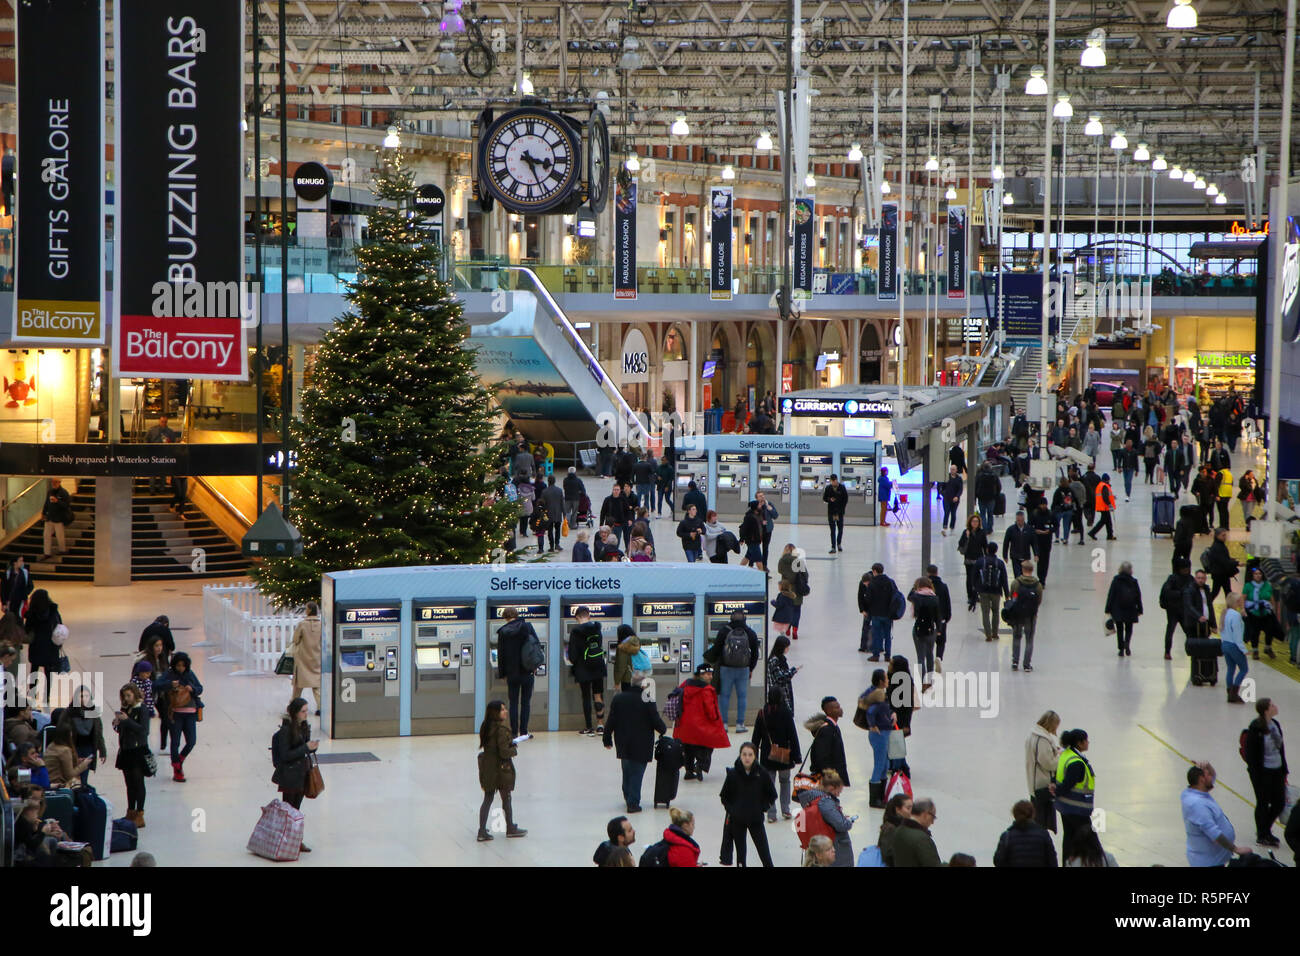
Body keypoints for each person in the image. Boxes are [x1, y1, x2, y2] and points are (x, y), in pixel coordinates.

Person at [603, 676, 668, 813]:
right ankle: (633, 803)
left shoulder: (619, 698)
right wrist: (663, 729)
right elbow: (655, 720)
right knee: (637, 773)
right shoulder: (647, 699)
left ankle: (628, 796)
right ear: (643, 686)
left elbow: (611, 720)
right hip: (641, 743)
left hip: (623, 742)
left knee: (627, 770)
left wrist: (606, 738)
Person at [270, 696, 319, 854]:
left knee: (296, 810)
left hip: (301, 774)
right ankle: (286, 840)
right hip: (289, 776)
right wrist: (306, 747)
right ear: (295, 713)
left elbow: (305, 748)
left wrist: (311, 747)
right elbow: (285, 755)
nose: (306, 714)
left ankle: (295, 840)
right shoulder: (286, 731)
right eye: (303, 711)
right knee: (289, 809)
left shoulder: (303, 727)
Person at [718, 741, 777, 867]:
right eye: (744, 754)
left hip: (756, 820)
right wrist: (732, 810)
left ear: (755, 756)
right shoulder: (733, 774)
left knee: (764, 852)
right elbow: (724, 796)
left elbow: (772, 794)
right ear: (740, 756)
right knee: (741, 854)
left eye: (750, 755)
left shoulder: (762, 773)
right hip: (737, 821)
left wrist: (762, 808)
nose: (747, 758)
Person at [1181, 762, 1251, 866]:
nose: (1212, 776)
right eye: (1208, 774)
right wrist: (1235, 849)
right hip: (1209, 862)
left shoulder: (1192, 792)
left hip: (1212, 858)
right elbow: (1214, 834)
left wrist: (1209, 767)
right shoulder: (1197, 805)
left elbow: (1211, 780)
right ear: (1201, 779)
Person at [476, 700, 526, 841]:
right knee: (506, 797)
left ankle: (481, 830)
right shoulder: (502, 730)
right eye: (502, 709)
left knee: (488, 798)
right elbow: (504, 752)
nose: (506, 711)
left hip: (488, 767)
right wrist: (514, 749)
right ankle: (510, 827)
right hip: (501, 769)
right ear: (495, 712)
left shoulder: (485, 726)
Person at [751, 686, 801, 822]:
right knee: (785, 781)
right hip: (784, 754)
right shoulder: (786, 713)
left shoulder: (762, 713)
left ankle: (771, 813)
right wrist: (797, 755)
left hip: (767, 755)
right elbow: (792, 735)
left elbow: (756, 736)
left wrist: (752, 753)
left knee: (769, 783)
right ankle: (785, 809)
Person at [1243, 698, 1288, 848]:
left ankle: (1265, 828)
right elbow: (1251, 754)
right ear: (1266, 710)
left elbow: (1281, 750)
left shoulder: (1275, 724)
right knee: (1263, 802)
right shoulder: (1256, 728)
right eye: (1272, 705)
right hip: (1263, 773)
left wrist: (1284, 770)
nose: (1275, 706)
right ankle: (1262, 834)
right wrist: (1257, 774)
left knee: (1279, 802)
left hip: (1277, 770)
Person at [673, 664, 730, 781]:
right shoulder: (706, 690)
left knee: (687, 747)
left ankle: (689, 771)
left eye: (711, 674)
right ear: (701, 675)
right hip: (700, 726)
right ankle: (700, 765)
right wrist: (715, 718)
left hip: (684, 726)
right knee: (707, 745)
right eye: (708, 674)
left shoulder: (685, 685)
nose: (710, 677)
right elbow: (710, 710)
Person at [707, 608, 759, 733]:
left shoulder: (725, 631)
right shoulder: (750, 632)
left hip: (726, 668)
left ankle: (724, 724)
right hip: (743, 669)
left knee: (724, 695)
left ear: (731, 617)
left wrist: (709, 658)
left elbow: (717, 649)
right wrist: (750, 668)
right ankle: (740, 724)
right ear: (744, 618)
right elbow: (755, 653)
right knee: (742, 696)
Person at [794, 768, 855, 866]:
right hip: (836, 845)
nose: (838, 795)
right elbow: (841, 825)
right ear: (831, 788)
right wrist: (848, 821)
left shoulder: (812, 798)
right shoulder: (825, 802)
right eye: (838, 792)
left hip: (821, 842)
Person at [496, 607, 539, 740]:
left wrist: (502, 673)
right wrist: (535, 665)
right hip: (527, 671)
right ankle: (524, 732)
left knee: (513, 702)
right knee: (525, 703)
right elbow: (536, 646)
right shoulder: (527, 627)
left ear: (505, 617)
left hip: (512, 673)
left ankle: (514, 733)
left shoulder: (503, 631)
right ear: (517, 615)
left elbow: (501, 654)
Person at [159, 651, 202, 780]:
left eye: (183, 666)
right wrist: (169, 684)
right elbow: (156, 685)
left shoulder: (190, 674)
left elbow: (200, 688)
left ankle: (178, 761)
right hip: (175, 713)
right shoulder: (169, 674)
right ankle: (177, 769)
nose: (181, 668)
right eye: (178, 665)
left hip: (190, 713)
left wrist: (192, 688)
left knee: (191, 741)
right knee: (175, 742)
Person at [567, 606, 607, 736]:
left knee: (585, 696)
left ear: (577, 617)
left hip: (583, 667)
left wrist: (574, 662)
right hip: (598, 664)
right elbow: (599, 645)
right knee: (598, 695)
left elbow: (572, 654)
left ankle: (589, 727)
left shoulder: (575, 631)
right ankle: (600, 724)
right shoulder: (597, 628)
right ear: (588, 615)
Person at [1054, 728, 1096, 848]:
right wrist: (1057, 791)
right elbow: (1069, 783)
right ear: (1079, 742)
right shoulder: (1076, 762)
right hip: (1077, 808)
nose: (1088, 742)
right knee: (1089, 840)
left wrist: (1055, 790)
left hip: (1065, 806)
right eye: (1086, 740)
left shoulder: (1066, 754)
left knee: (1069, 838)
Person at [59, 686, 107, 786]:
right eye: (81, 696)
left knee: (83, 779)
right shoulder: (69, 712)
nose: (84, 698)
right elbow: (61, 730)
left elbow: (98, 733)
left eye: (86, 696)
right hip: (73, 749)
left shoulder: (94, 713)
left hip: (88, 749)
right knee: (72, 778)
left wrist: (102, 750)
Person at [994, 800, 1059, 867]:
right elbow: (1052, 860)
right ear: (1033, 814)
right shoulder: (1043, 834)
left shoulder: (1007, 836)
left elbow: (998, 861)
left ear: (1014, 815)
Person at [1026, 710, 1062, 832]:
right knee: (1041, 821)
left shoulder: (1033, 735)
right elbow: (1049, 763)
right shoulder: (1042, 739)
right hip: (1043, 784)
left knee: (1038, 819)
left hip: (1034, 783)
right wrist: (1060, 756)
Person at [861, 670, 892, 808]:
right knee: (880, 764)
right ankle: (875, 799)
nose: (888, 681)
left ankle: (881, 796)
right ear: (881, 681)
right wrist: (872, 724)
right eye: (886, 679)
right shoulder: (877, 694)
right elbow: (871, 711)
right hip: (880, 733)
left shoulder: (873, 692)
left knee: (884, 764)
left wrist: (891, 714)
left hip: (883, 731)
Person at [23, 588, 62, 696]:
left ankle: (32, 692)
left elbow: (27, 629)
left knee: (34, 670)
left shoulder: (32, 614)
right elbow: (59, 625)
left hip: (36, 646)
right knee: (49, 672)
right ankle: (47, 695)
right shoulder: (53, 611)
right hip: (50, 646)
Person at [805, 695, 850, 787]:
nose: (840, 709)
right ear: (829, 711)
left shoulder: (833, 727)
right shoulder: (827, 730)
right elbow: (822, 758)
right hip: (827, 781)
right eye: (837, 707)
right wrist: (831, 779)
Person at [1007, 560, 1042, 672]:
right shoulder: (1037, 585)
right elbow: (1039, 600)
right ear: (1032, 570)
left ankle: (1015, 662)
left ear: (1022, 569)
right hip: (1031, 616)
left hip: (1018, 615)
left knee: (1017, 637)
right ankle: (1027, 664)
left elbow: (1012, 597)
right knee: (1029, 639)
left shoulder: (1016, 583)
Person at [1242, 565, 1282, 660]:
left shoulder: (1267, 585)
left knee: (1270, 630)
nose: (1258, 575)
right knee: (1254, 632)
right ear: (1252, 575)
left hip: (1266, 612)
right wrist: (1243, 609)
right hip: (1253, 613)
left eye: (1259, 574)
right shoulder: (1248, 586)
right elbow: (1243, 598)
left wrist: (1273, 609)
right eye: (1256, 574)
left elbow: (1271, 598)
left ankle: (1268, 648)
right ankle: (1255, 650)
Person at [1104, 561, 1144, 657]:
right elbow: (1138, 596)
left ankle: (1121, 649)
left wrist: (1108, 608)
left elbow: (1111, 595)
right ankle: (1127, 643)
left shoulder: (1116, 581)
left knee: (1120, 629)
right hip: (1130, 608)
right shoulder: (1134, 581)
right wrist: (1140, 609)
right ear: (1130, 570)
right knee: (1129, 628)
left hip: (1118, 609)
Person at [289, 602, 322, 714]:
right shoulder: (321, 624)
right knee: (316, 685)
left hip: (303, 658)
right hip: (316, 657)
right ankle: (320, 707)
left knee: (298, 685)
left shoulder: (302, 624)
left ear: (308, 610)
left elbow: (295, 639)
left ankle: (293, 706)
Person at [908, 576, 940, 687]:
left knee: (920, 657)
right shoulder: (935, 598)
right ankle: (930, 680)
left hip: (918, 629)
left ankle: (922, 681)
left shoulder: (916, 597)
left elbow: (909, 596)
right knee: (930, 655)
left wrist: (914, 587)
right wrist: (939, 629)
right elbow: (937, 616)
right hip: (931, 629)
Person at [891, 797, 942, 867]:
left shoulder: (898, 830)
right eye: (933, 817)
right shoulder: (922, 839)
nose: (932, 822)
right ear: (925, 814)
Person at [863, 561, 897, 661]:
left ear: (874, 571)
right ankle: (887, 656)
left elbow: (868, 599)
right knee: (887, 635)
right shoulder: (890, 582)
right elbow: (895, 595)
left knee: (876, 634)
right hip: (888, 613)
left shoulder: (872, 583)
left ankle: (876, 655)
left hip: (876, 613)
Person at [976, 542, 1010, 642]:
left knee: (985, 613)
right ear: (996, 550)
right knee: (995, 612)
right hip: (996, 591)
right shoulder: (1000, 563)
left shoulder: (980, 561)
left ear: (987, 550)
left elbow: (974, 577)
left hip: (983, 591)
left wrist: (976, 590)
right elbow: (1004, 579)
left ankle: (988, 634)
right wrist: (1007, 594)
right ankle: (995, 633)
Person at [1221, 593, 1249, 703]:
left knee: (1230, 669)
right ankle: (1234, 693)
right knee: (1243, 669)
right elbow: (1237, 636)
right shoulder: (1236, 616)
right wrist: (1244, 650)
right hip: (1234, 646)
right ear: (1236, 602)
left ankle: (1229, 691)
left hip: (1225, 644)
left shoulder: (1225, 613)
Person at [44, 724, 92, 788]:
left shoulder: (51, 746)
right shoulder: (65, 750)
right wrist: (83, 765)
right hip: (59, 784)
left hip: (48, 781)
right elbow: (69, 775)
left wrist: (77, 762)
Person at [957, 514, 988, 611]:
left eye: (977, 522)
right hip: (969, 559)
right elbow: (961, 544)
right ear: (970, 523)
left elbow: (984, 545)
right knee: (969, 578)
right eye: (973, 521)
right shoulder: (966, 532)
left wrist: (986, 557)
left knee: (978, 578)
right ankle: (970, 595)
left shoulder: (982, 532)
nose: (975, 523)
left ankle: (976, 595)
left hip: (979, 559)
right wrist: (966, 537)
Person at [39, 478, 73, 561]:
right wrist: (43, 513)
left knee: (59, 535)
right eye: (53, 482)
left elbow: (66, 505)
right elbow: (46, 503)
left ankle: (62, 549)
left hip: (59, 518)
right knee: (46, 535)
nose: (53, 483)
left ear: (59, 482)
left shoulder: (63, 492)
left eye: (55, 482)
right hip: (50, 516)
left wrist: (57, 501)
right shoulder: (50, 492)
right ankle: (47, 553)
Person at [776, 544, 805, 639]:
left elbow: (780, 571)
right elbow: (805, 574)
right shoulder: (798, 561)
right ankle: (795, 630)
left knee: (788, 610)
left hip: (786, 588)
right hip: (797, 588)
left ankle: (787, 628)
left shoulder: (782, 560)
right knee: (797, 611)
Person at [766, 633, 798, 715]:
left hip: (783, 692)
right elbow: (780, 678)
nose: (788, 649)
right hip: (780, 694)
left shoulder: (779, 659)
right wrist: (793, 671)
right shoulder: (775, 660)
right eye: (786, 647)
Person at [927, 564, 953, 665]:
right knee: (941, 641)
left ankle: (929, 658)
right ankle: (939, 657)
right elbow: (947, 602)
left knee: (928, 641)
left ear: (927, 573)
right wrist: (947, 616)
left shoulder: (924, 586)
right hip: (941, 618)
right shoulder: (943, 586)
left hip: (927, 618)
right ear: (937, 573)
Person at [145, 417, 179, 492]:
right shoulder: (152, 430)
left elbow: (173, 443)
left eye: (165, 422)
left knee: (163, 473)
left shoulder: (170, 432)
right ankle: (152, 489)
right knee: (153, 473)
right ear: (159, 421)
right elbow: (146, 440)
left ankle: (162, 489)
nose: (163, 423)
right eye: (162, 421)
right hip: (154, 453)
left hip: (164, 454)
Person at [1206, 527, 1239, 604]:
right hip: (1219, 574)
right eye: (1223, 535)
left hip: (1221, 573)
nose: (1225, 537)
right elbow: (1223, 561)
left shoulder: (1219, 545)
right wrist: (1236, 563)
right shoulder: (1217, 547)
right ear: (1217, 536)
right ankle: (1207, 605)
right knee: (1218, 591)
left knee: (1225, 591)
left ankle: (1230, 606)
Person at [1028, 498, 1055, 586]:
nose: (1043, 506)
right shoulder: (1034, 514)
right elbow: (1029, 526)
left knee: (1046, 560)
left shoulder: (1050, 514)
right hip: (1037, 540)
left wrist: (1050, 530)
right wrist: (1035, 531)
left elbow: (1056, 525)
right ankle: (1040, 577)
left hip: (1047, 540)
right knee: (1040, 559)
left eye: (1045, 504)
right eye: (1042, 504)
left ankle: (1043, 579)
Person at [599, 484, 631, 549]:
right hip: (609, 525)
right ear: (612, 490)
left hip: (619, 525)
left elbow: (627, 510)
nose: (616, 491)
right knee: (608, 541)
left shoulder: (623, 499)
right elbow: (603, 512)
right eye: (614, 490)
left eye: (617, 490)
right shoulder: (607, 499)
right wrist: (601, 524)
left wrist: (629, 519)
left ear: (620, 491)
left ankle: (614, 554)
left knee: (616, 541)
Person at [1088, 472, 1117, 541]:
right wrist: (1109, 505)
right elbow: (1105, 497)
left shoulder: (1100, 485)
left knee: (1108, 521)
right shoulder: (1104, 486)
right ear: (1107, 479)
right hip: (1104, 507)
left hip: (1102, 506)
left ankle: (1110, 535)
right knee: (1103, 521)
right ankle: (1092, 532)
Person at [738, 499, 765, 571]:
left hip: (756, 540)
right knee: (759, 558)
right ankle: (762, 574)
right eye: (759, 505)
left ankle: (739, 570)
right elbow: (744, 528)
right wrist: (741, 539)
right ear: (755, 507)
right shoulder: (749, 517)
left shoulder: (758, 515)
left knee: (748, 556)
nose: (760, 506)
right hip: (752, 541)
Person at [823, 473, 848, 551]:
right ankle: (833, 547)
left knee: (840, 529)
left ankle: (839, 544)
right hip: (831, 512)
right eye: (832, 481)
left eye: (835, 480)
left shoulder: (842, 488)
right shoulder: (828, 488)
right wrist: (829, 499)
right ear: (830, 481)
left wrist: (842, 508)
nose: (834, 482)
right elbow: (824, 498)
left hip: (839, 512)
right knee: (832, 530)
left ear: (837, 480)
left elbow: (845, 499)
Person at [540, 475, 565, 552]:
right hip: (558, 513)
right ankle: (557, 544)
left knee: (550, 530)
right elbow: (562, 503)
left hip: (548, 514)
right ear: (555, 481)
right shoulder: (559, 490)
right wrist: (564, 513)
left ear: (548, 481)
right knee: (557, 530)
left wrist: (542, 513)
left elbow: (542, 504)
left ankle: (551, 546)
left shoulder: (544, 492)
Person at [754, 490, 779, 568]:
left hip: (767, 530)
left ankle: (764, 566)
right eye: (760, 496)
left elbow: (775, 516)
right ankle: (755, 564)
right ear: (757, 498)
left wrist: (769, 508)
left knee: (765, 548)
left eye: (763, 495)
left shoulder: (769, 504)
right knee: (755, 548)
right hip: (758, 531)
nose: (762, 497)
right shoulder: (754, 506)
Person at [938, 464, 963, 536]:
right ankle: (944, 527)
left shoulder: (959, 479)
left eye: (954, 469)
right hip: (946, 499)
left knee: (953, 513)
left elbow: (960, 489)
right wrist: (943, 494)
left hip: (955, 500)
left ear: (956, 470)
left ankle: (952, 527)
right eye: (951, 469)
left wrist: (957, 496)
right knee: (946, 512)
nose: (952, 471)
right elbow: (941, 487)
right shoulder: (946, 477)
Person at [1217, 461, 1235, 530]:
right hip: (1228, 494)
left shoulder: (1221, 473)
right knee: (1225, 510)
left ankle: (1222, 525)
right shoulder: (1229, 474)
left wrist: (1216, 495)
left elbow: (1216, 485)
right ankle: (1226, 526)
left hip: (1221, 494)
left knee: (1221, 511)